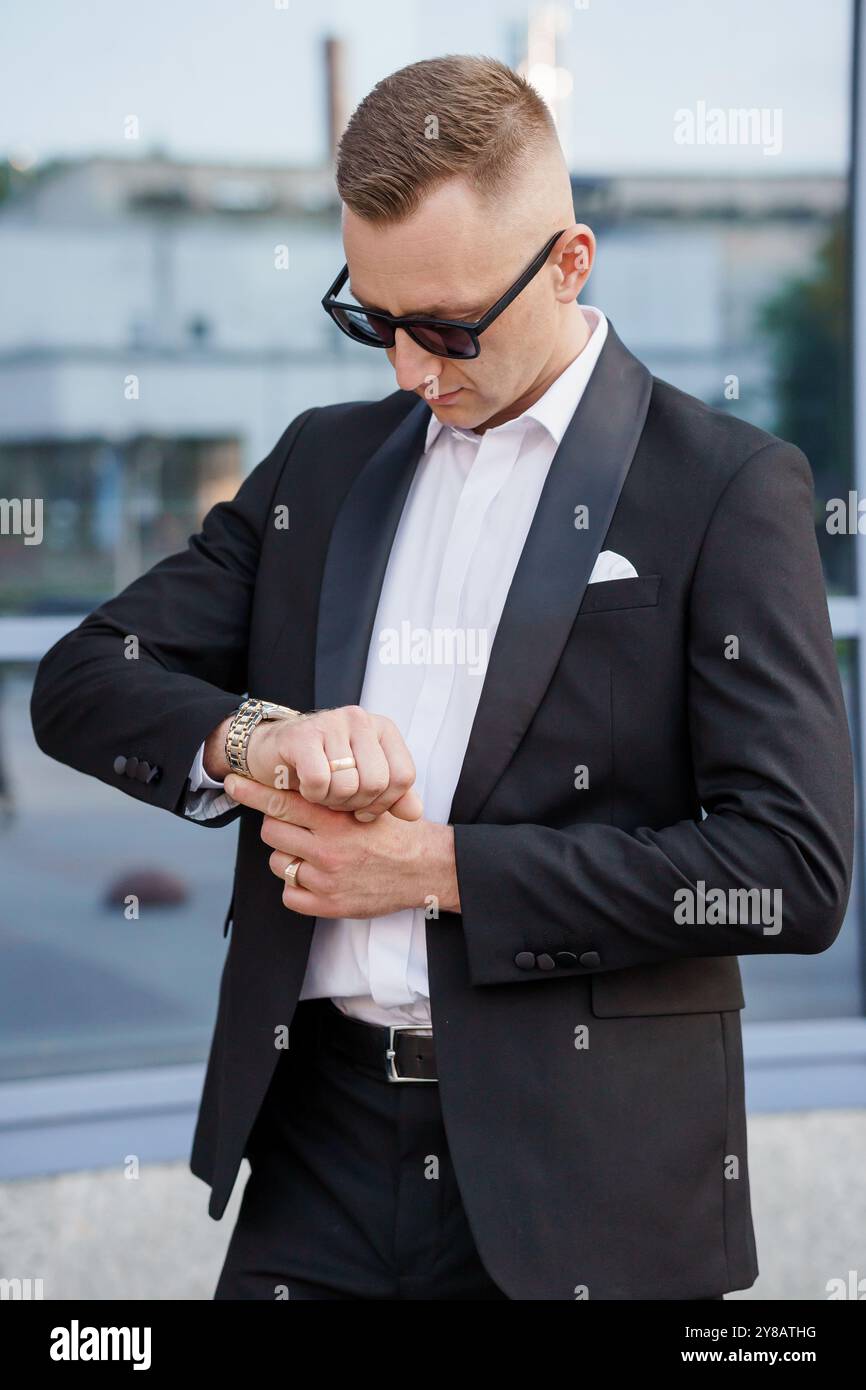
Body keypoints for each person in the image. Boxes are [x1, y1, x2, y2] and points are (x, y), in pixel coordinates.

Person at [31, 54, 854, 1301]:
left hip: (587, 1185)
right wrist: (257, 740)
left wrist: (439, 869)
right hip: (314, 1152)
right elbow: (86, 677)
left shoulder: (725, 486)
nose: (411, 370)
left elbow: (786, 871)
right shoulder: (322, 460)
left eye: (450, 326)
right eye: (374, 319)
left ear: (569, 261)